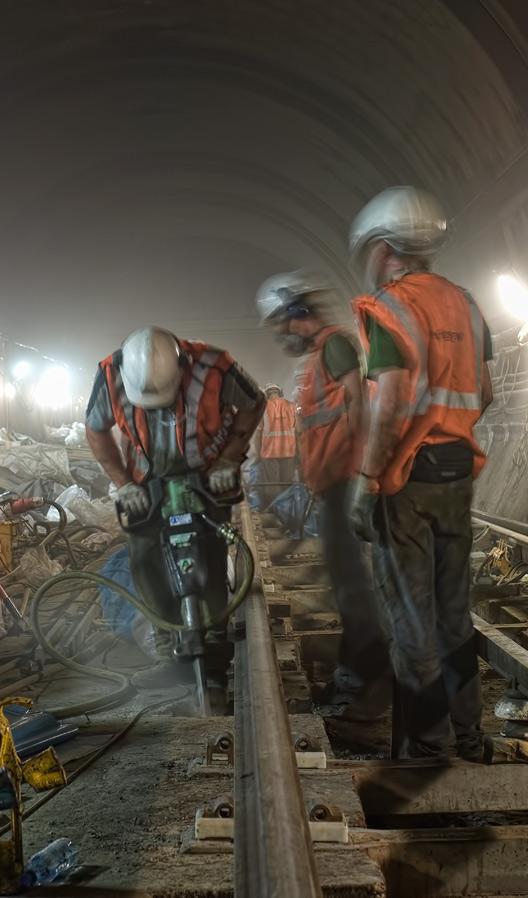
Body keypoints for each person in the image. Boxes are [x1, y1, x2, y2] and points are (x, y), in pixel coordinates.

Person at [348, 185, 494, 759]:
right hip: (457, 475)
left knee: (411, 620)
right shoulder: (468, 305)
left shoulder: (389, 307)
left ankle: (429, 748)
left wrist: (367, 482)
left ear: (384, 249)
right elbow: (484, 392)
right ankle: (470, 736)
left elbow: (389, 405)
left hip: (407, 480)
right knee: (454, 616)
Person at [85, 326, 265, 705]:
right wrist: (123, 484)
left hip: (208, 476)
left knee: (210, 558)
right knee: (144, 558)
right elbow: (96, 429)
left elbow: (255, 402)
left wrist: (229, 459)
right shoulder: (111, 375)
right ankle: (169, 651)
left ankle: (213, 658)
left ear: (182, 366)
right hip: (146, 481)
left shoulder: (215, 366)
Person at [256, 271, 390, 719]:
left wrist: (362, 477)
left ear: (297, 311)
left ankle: (372, 682)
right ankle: (351, 677)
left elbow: (359, 408)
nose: (283, 335)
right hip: (333, 485)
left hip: (347, 482)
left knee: (353, 586)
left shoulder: (334, 345)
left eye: (283, 323)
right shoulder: (320, 356)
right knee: (345, 584)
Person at [252, 383, 297, 508]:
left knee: (272, 484)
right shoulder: (292, 406)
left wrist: (257, 455)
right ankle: (287, 510)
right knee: (287, 483)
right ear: (279, 392)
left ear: (267, 394)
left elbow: (258, 434)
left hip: (269, 452)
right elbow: (298, 431)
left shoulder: (263, 408)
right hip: (289, 451)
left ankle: (274, 510)